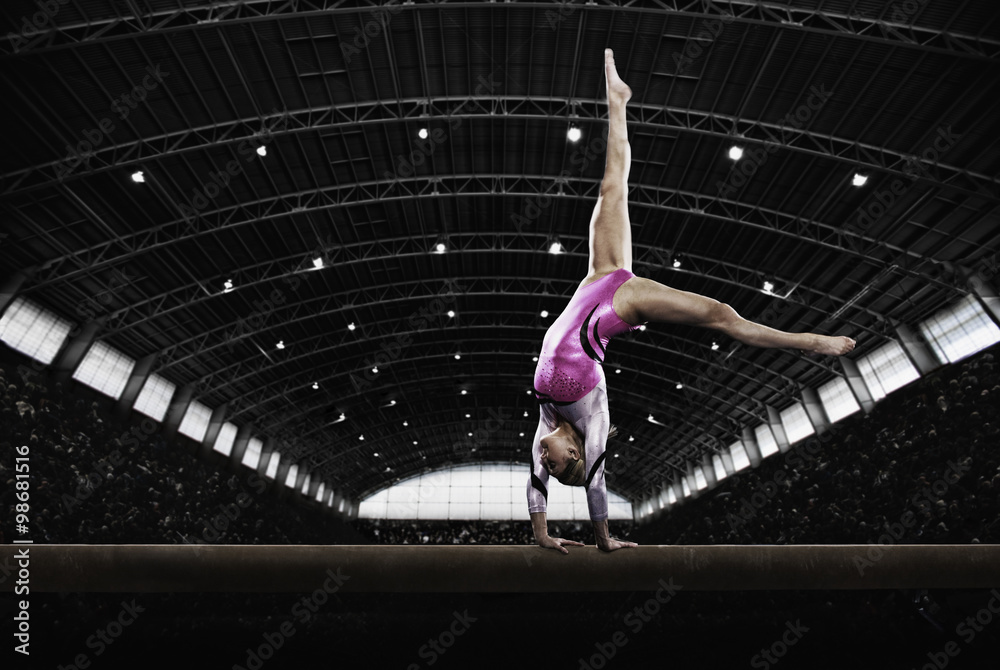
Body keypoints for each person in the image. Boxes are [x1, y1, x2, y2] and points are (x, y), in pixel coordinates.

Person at [527, 49, 855, 554]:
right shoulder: (592, 429)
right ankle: (811, 342)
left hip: (597, 279)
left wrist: (543, 534)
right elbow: (594, 483)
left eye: (546, 464)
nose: (543, 462)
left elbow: (536, 487)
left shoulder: (547, 421)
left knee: (613, 186)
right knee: (721, 317)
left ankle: (617, 100)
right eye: (555, 463)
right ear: (575, 450)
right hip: (621, 304)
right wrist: (603, 539)